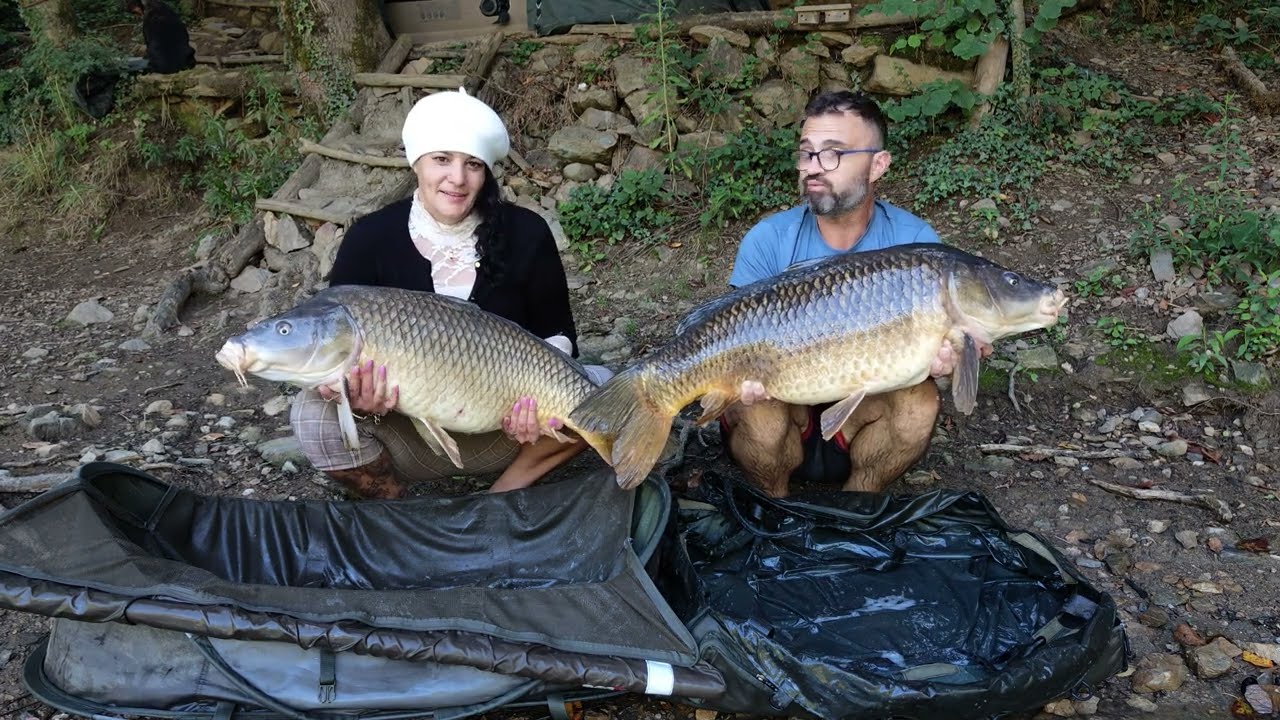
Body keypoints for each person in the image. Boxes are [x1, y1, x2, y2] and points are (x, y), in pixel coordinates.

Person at [289, 87, 610, 500]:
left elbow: (558, 333)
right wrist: (359, 399)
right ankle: (402, 510)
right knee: (312, 413)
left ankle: (500, 496)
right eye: (442, 159)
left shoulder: (527, 232)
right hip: (406, 432)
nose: (457, 179)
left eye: (472, 165)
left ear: (486, 173)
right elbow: (338, 345)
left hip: (506, 428)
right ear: (417, 162)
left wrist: (533, 403)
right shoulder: (370, 237)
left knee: (601, 388)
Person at [719, 89, 989, 498]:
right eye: (807, 153)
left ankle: (857, 504)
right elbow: (727, 337)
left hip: (860, 426)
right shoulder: (768, 239)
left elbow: (950, 358)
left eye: (833, 154)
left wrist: (947, 358)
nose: (814, 167)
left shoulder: (914, 244)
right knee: (754, 407)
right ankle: (775, 507)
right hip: (781, 419)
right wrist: (734, 377)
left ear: (877, 164)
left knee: (920, 401)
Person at [123, 0, 197, 75]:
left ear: (137, 8)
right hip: (184, 61)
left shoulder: (150, 19)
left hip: (163, 66)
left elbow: (151, 43)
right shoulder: (165, 10)